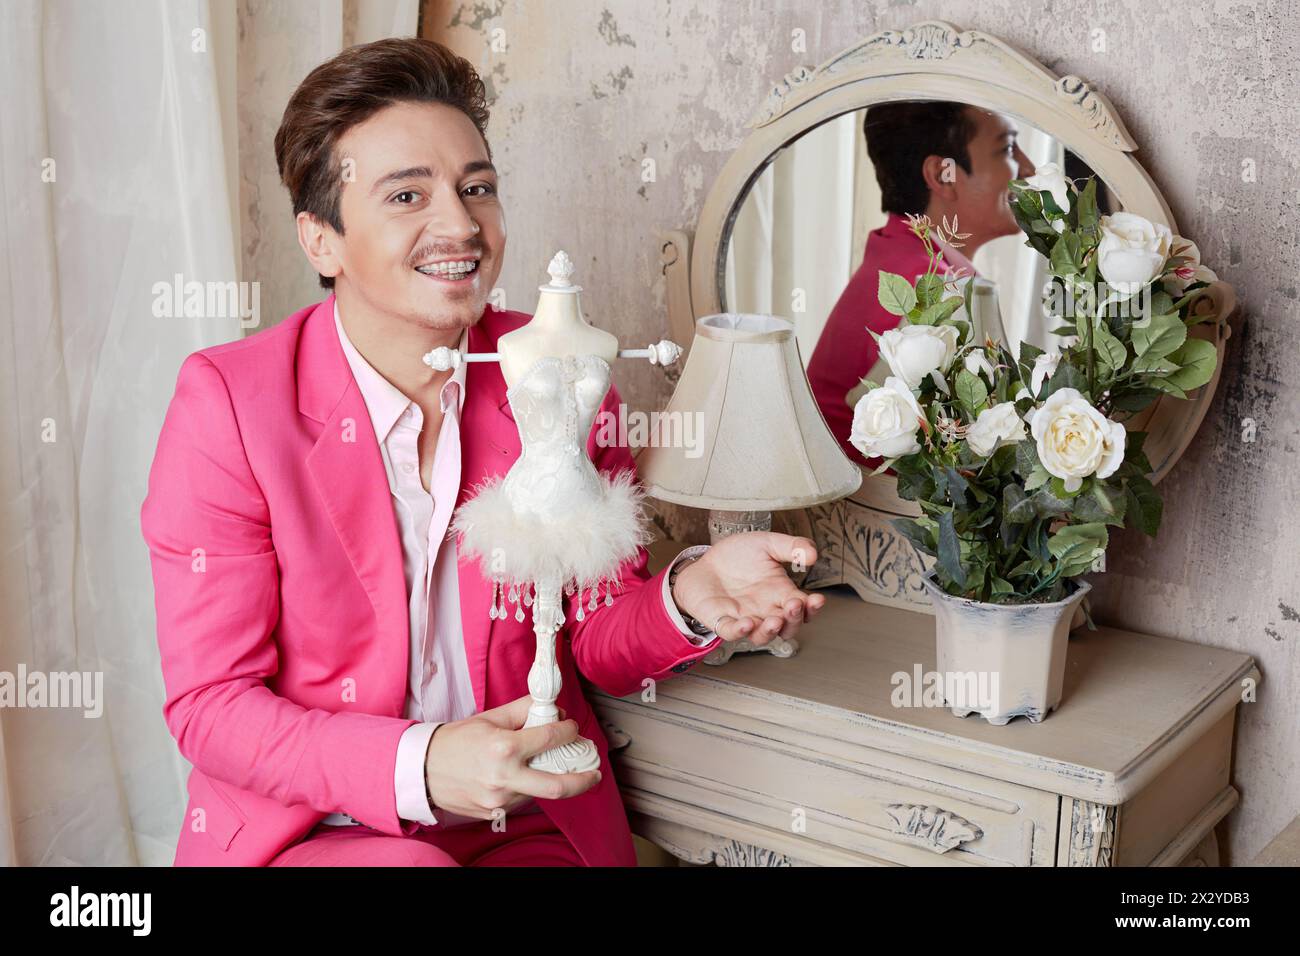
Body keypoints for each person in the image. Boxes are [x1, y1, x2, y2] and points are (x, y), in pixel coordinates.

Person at [140, 37, 825, 867]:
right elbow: (213, 707)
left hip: (527, 821)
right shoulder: (230, 405)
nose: (461, 225)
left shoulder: (558, 379)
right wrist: (420, 764)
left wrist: (687, 593)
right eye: (406, 194)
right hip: (316, 828)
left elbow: (596, 637)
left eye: (477, 188)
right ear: (321, 241)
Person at [806, 101, 1036, 465]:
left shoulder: (896, 255)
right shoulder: (938, 288)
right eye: (1006, 149)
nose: (1028, 168)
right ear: (941, 174)